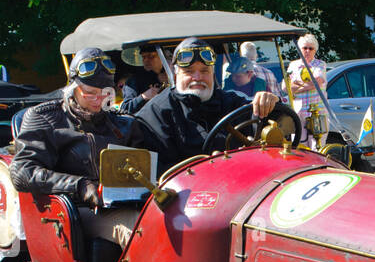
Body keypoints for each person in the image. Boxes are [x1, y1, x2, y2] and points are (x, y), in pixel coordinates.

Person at [9, 46, 139, 251]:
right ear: (73, 87)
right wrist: (79, 186)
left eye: (105, 94)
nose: (98, 100)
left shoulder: (121, 123)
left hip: (123, 204)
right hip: (72, 212)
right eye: (90, 93)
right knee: (139, 231)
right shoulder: (45, 117)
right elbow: (21, 171)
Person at [131, 37, 283, 176]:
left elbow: (270, 123)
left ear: (212, 75)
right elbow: (157, 174)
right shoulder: (154, 114)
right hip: (185, 198)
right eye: (189, 72)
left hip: (240, 187)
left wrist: (270, 105)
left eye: (204, 71)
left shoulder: (231, 103)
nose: (197, 78)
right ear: (176, 76)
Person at [286, 33, 327, 143]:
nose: (307, 51)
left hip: (317, 112)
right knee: (299, 145)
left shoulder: (320, 64)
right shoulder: (293, 65)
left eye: (311, 48)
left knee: (317, 147)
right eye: (305, 48)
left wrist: (296, 86)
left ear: (315, 50)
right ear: (299, 49)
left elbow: (316, 82)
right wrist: (306, 85)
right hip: (298, 112)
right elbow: (285, 87)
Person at [119, 43, 170, 114]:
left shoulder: (173, 75)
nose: (146, 60)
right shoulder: (135, 80)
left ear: (162, 57)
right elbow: (125, 108)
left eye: (151, 56)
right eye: (143, 57)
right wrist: (143, 97)